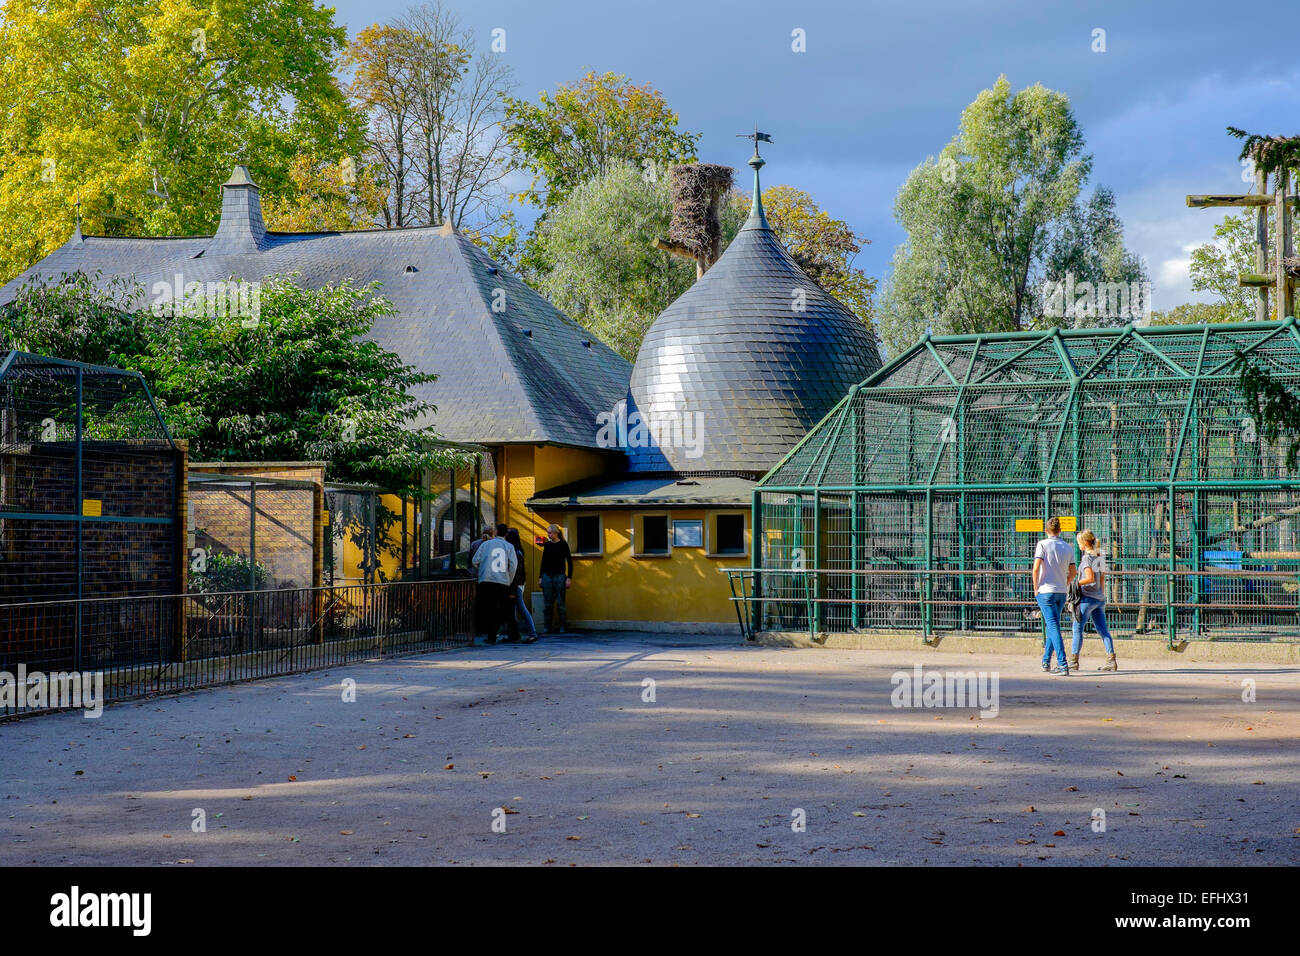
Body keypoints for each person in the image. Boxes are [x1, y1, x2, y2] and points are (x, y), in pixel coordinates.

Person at [1033, 517, 1076, 675]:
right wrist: (1064, 583)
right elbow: (1073, 572)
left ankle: (1063, 664)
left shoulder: (1042, 544)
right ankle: (1045, 661)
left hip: (1045, 591)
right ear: (1060, 530)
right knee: (1053, 626)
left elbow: (1036, 568)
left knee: (1053, 627)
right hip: (1061, 591)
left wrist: (1035, 587)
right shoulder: (1067, 547)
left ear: (1046, 530)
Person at [1071, 529, 1117, 672]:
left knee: (1077, 629)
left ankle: (1073, 661)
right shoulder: (1099, 556)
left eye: (1079, 543)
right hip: (1098, 598)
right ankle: (1111, 660)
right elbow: (1102, 577)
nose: (1078, 545)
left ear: (1084, 543)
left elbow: (1089, 578)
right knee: (1103, 630)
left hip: (1086, 598)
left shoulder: (1086, 558)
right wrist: (1101, 594)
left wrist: (1075, 583)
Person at [472, 523, 518, 644]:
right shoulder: (509, 547)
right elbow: (513, 565)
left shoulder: (485, 545)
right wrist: (509, 579)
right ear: (506, 534)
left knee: (488, 609)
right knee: (504, 609)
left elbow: (475, 560)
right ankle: (502, 632)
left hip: (486, 580)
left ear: (496, 532)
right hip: (502, 581)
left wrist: (482, 568)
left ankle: (490, 635)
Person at [503, 528, 539, 644]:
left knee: (521, 608)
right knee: (513, 610)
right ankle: (513, 634)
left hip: (516, 585)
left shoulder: (515, 552)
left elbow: (516, 572)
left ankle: (532, 633)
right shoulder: (518, 551)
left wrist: (512, 589)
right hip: (518, 584)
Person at [539, 523, 573, 634]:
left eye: (549, 533)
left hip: (559, 576)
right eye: (547, 532)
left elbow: (569, 561)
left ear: (555, 533)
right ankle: (547, 626)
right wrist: (540, 577)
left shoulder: (563, 544)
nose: (548, 535)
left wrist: (569, 578)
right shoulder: (547, 545)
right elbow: (543, 562)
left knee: (560, 603)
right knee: (548, 604)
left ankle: (563, 626)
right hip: (547, 576)